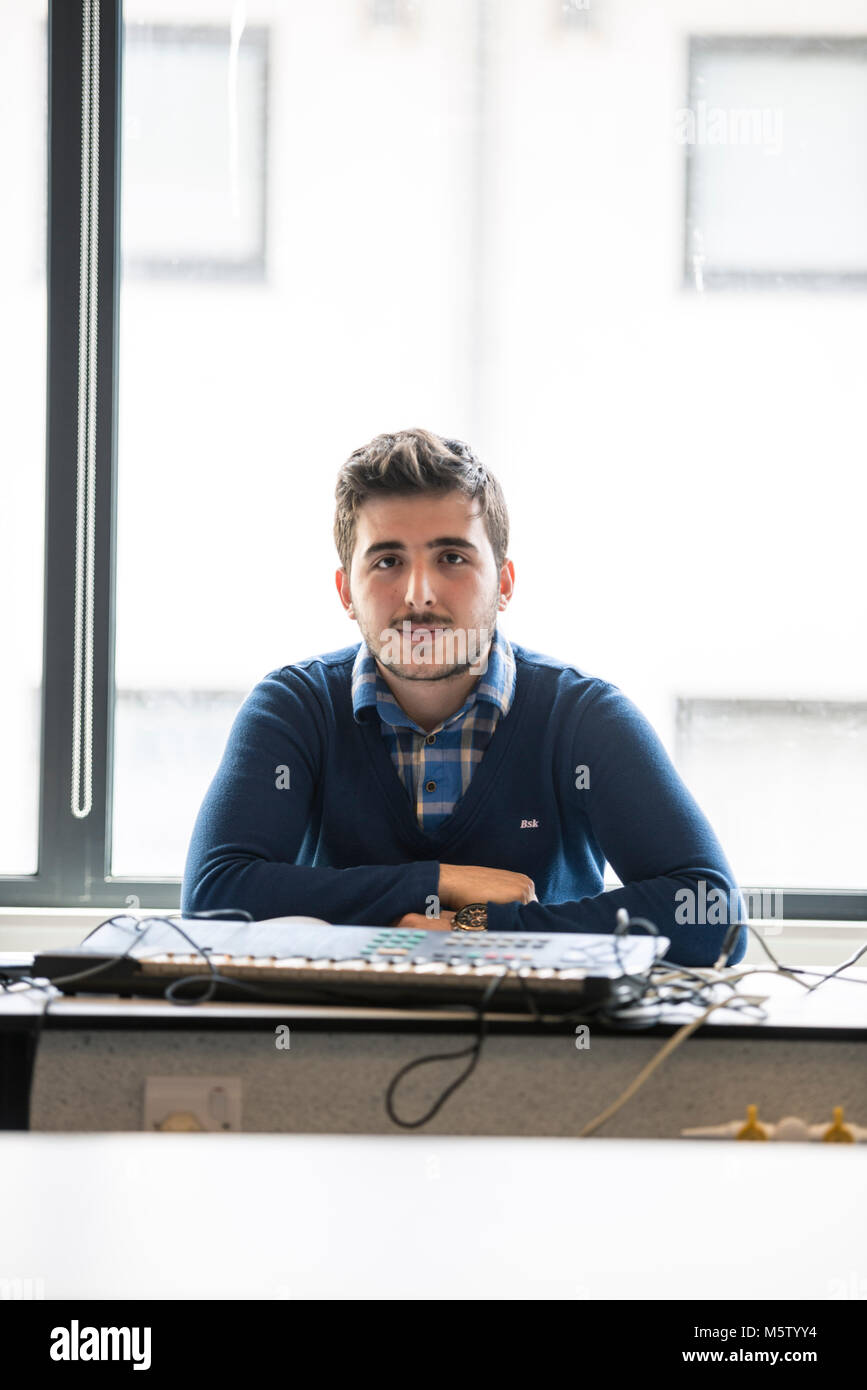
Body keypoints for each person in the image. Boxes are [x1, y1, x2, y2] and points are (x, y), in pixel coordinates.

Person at [181, 427, 747, 966]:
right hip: (333, 1049)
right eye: (387, 562)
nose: (419, 594)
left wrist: (477, 928)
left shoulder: (583, 718)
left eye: (451, 558)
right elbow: (211, 902)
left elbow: (711, 912)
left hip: (545, 1051)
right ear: (345, 592)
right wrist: (437, 881)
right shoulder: (293, 709)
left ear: (503, 583)